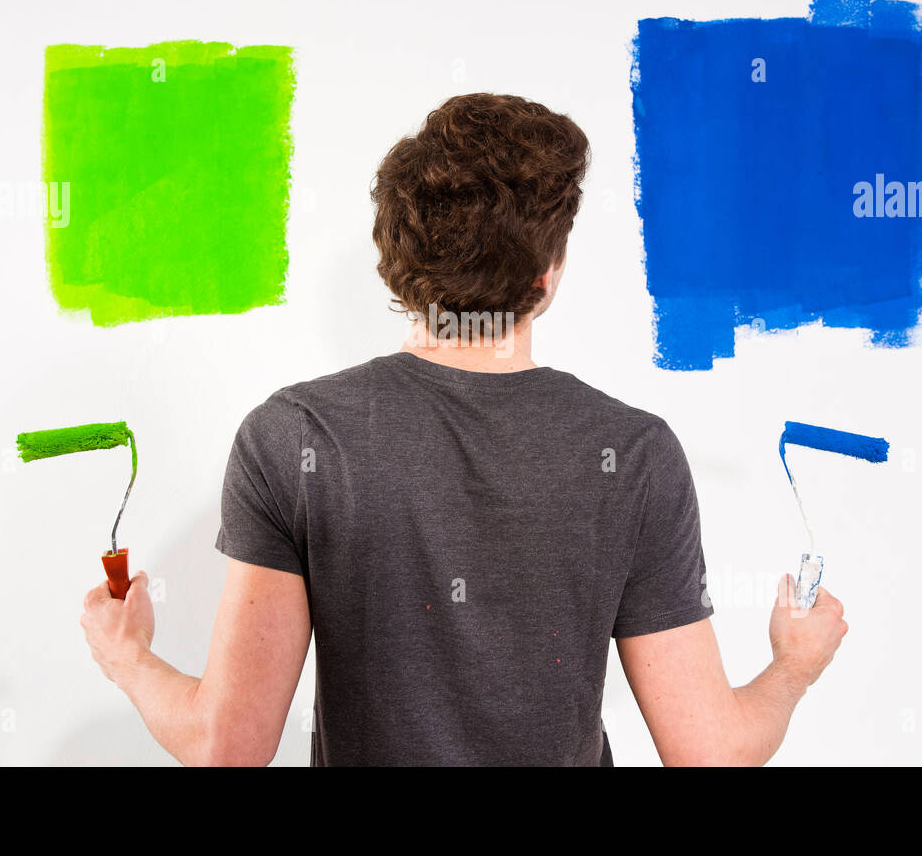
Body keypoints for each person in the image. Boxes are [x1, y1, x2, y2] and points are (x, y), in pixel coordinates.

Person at [80, 93, 848, 766]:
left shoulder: (295, 437)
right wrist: (794, 664)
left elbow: (227, 747)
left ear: (398, 262)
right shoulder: (637, 454)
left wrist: (128, 657)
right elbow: (710, 752)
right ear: (546, 276)